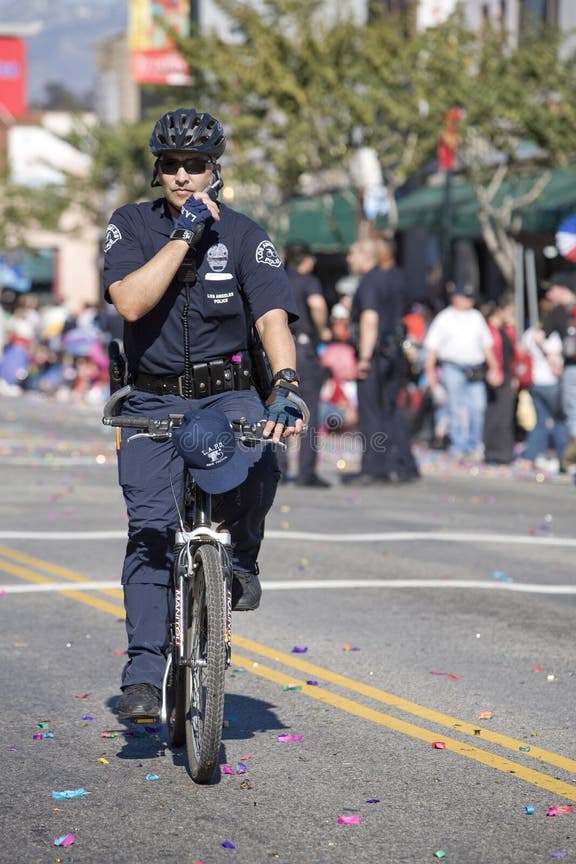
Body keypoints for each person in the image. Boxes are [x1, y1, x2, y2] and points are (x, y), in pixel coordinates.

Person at [102, 107, 305, 724]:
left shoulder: (246, 234)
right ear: (158, 172)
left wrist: (287, 386)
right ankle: (143, 673)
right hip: (152, 399)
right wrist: (184, 234)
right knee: (152, 531)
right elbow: (132, 303)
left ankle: (240, 558)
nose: (185, 176)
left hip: (228, 395)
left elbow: (271, 317)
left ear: (216, 169)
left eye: (197, 165)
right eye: (172, 166)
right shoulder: (130, 225)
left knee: (260, 460)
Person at [343, 237, 419, 485]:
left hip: (375, 355)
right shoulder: (391, 279)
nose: (349, 259)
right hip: (392, 351)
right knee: (390, 410)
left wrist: (364, 357)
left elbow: (370, 320)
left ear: (367, 256)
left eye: (352, 254)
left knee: (372, 412)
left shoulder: (369, 282)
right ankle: (402, 465)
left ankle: (375, 468)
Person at [424, 281, 501, 461]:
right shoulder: (444, 318)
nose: (468, 301)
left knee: (478, 407)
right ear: (455, 298)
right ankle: (458, 446)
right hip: (453, 367)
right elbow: (431, 347)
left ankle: (474, 445)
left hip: (475, 369)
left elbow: (486, 345)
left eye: (470, 297)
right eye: (464, 297)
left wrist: (494, 368)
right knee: (455, 408)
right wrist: (429, 372)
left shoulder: (476, 317)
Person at [276, 241, 332, 487]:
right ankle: (306, 471)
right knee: (308, 411)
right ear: (306, 260)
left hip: (279, 347)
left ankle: (278, 467)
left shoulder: (278, 278)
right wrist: (323, 329)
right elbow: (317, 304)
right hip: (304, 348)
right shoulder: (308, 280)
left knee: (281, 407)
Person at [520, 307, 567, 469]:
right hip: (551, 382)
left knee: (540, 422)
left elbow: (521, 352)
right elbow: (555, 363)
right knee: (560, 421)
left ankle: (529, 458)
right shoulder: (552, 335)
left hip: (535, 382)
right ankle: (564, 459)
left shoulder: (529, 333)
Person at [541, 272, 576, 471]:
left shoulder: (559, 312)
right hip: (570, 366)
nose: (549, 295)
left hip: (572, 367)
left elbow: (538, 337)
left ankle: (571, 460)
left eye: (552, 290)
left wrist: (550, 356)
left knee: (572, 413)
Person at [483, 292, 521, 464]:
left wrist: (514, 375)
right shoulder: (487, 329)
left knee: (505, 415)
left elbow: (514, 354)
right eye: (510, 312)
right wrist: (493, 370)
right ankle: (492, 451)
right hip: (493, 375)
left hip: (507, 375)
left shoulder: (508, 330)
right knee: (494, 414)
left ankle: (504, 452)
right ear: (500, 310)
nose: (512, 316)